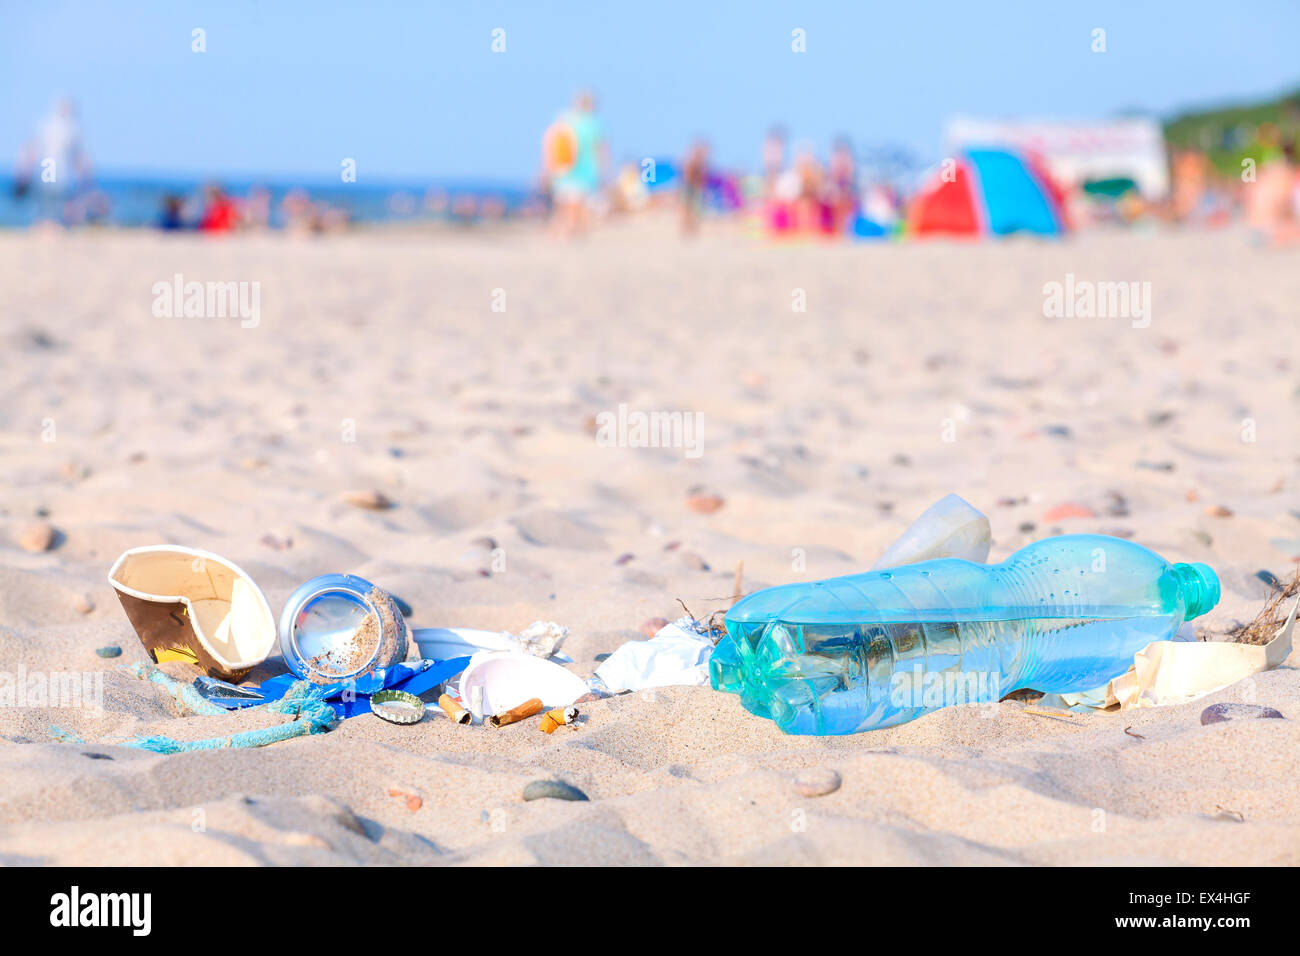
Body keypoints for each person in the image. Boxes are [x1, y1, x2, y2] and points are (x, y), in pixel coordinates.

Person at [545, 91, 607, 237]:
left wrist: (547, 168)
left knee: (564, 206)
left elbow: (553, 144)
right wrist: (603, 170)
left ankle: (560, 233)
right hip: (585, 171)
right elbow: (600, 150)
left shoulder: (565, 120)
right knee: (577, 205)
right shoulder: (594, 124)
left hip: (563, 169)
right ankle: (571, 233)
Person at [680, 139, 709, 235]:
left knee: (691, 209)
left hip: (692, 187)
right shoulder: (693, 162)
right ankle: (688, 227)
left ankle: (690, 227)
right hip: (690, 187)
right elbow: (689, 176)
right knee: (689, 209)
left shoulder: (696, 162)